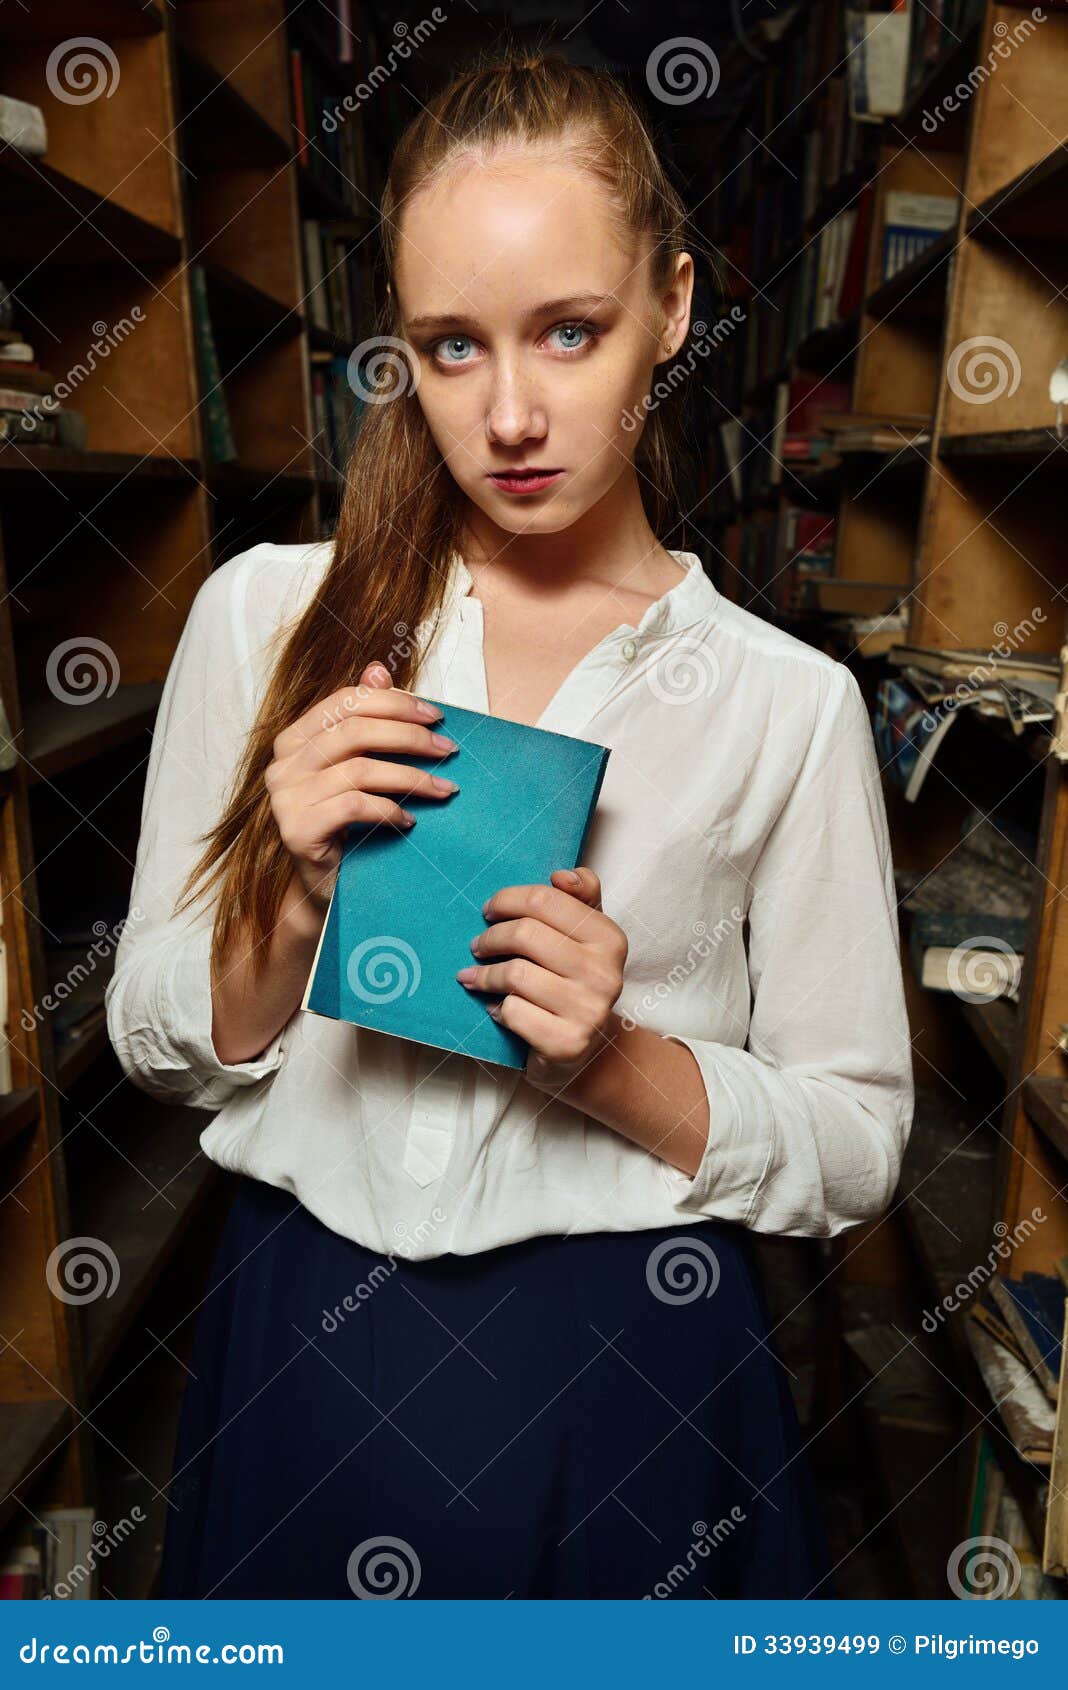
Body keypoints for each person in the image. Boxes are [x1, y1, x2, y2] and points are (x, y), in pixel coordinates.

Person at [106, 49, 913, 1600]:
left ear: (672, 308)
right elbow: (152, 1041)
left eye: (572, 332)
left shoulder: (784, 701)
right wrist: (278, 908)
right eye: (452, 348)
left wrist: (614, 1063)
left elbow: (861, 1143)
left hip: (632, 1350)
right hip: (305, 1337)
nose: (515, 412)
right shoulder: (268, 616)